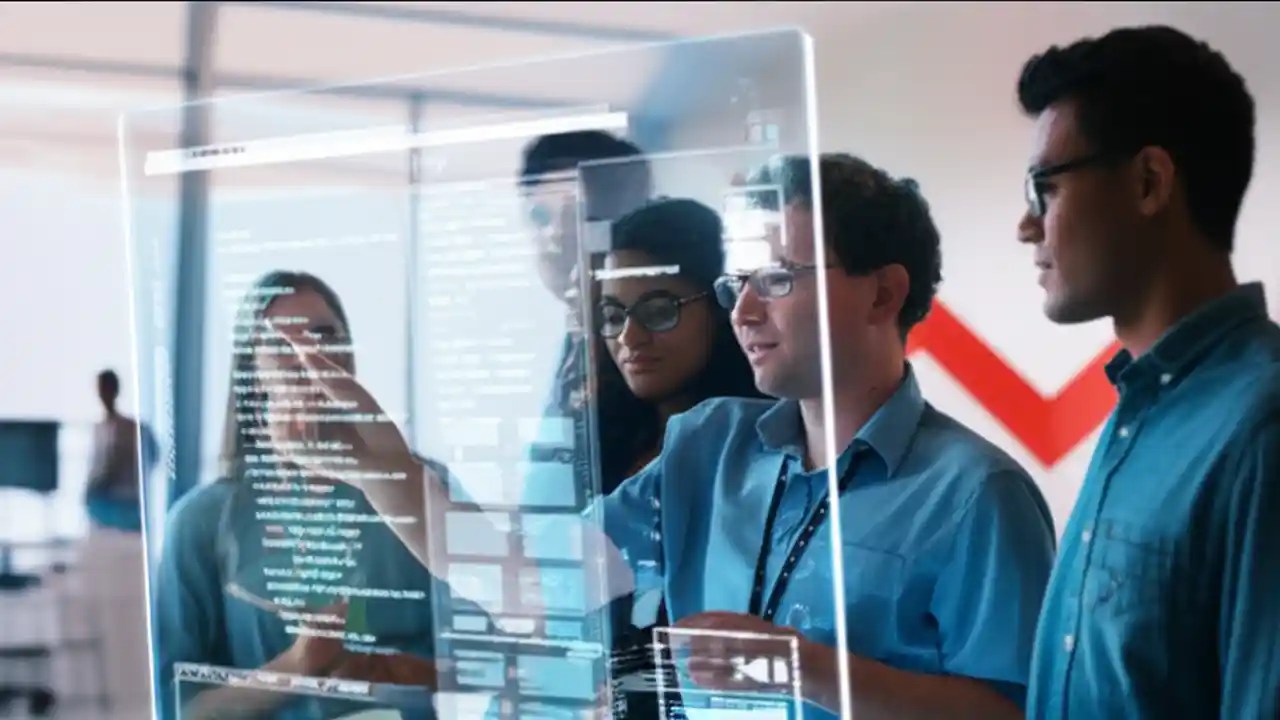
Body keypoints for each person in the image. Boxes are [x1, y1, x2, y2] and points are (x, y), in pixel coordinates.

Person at [276, 154, 1058, 720]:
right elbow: (526, 584)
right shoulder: (709, 448)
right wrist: (380, 469)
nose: (743, 310)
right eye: (738, 281)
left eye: (776, 278)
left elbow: (1015, 712)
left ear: (883, 293)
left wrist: (810, 672)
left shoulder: (974, 494)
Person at [1014, 25, 1280, 719]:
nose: (1026, 226)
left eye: (1044, 188)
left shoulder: (1261, 426)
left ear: (1149, 182)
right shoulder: (1145, 405)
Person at [153, 271, 473, 720]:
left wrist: (384, 670)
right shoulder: (200, 522)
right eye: (282, 342)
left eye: (325, 334)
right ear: (252, 373)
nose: (309, 354)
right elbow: (178, 709)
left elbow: (500, 652)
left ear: (350, 358)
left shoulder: (422, 488)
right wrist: (298, 666)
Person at [591, 197, 766, 717]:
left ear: (721, 306)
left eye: (659, 310)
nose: (630, 337)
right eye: (613, 316)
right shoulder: (603, 446)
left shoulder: (761, 449)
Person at [84, 369, 158, 532]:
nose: (103, 394)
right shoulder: (99, 428)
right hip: (106, 502)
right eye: (101, 389)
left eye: (106, 389)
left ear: (115, 390)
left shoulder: (135, 429)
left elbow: (153, 456)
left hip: (127, 500)